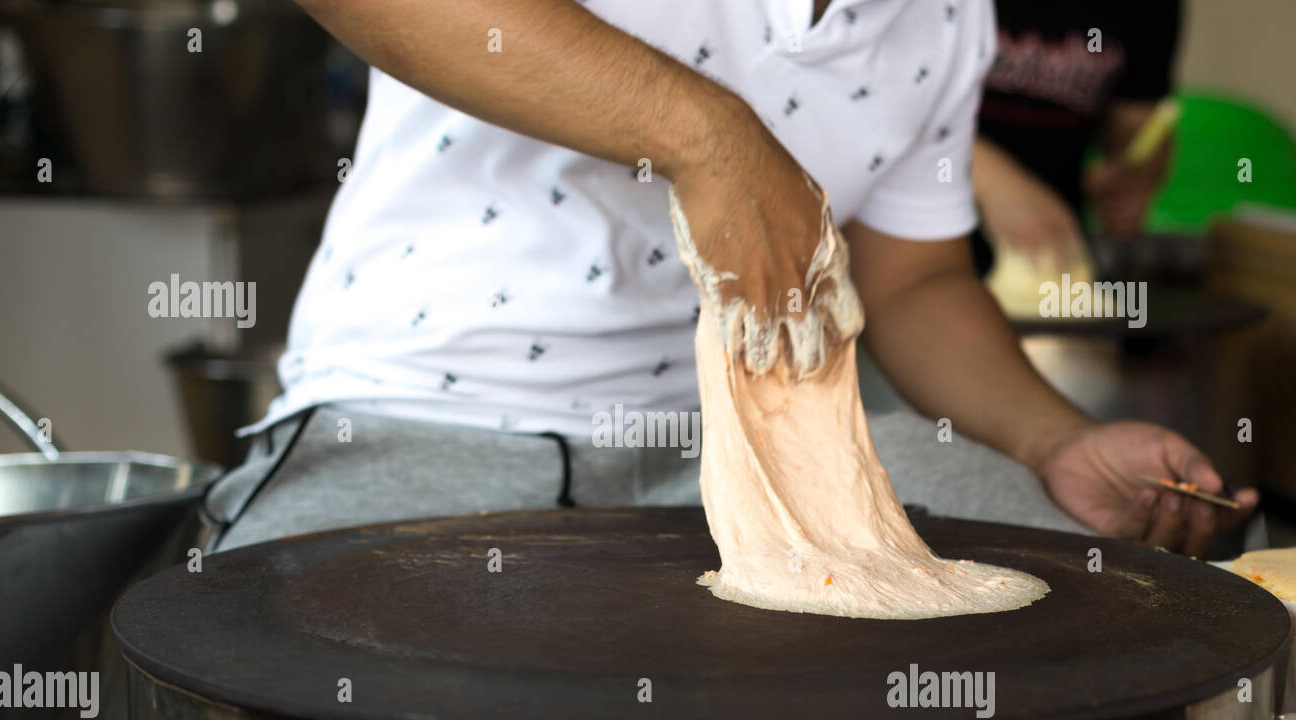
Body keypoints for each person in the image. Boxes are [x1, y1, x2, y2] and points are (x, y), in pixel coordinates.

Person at [211, 0, 1252, 562]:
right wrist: (704, 133)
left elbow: (914, 282)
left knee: (1085, 579)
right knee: (267, 677)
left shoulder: (945, 19)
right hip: (417, 415)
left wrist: (1055, 436)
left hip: (733, 447)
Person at [972, 0, 1182, 271]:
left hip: (1054, 253)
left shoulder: (1149, 8)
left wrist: (1133, 175)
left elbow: (1138, 122)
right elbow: (901, 113)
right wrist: (990, 180)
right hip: (924, 243)